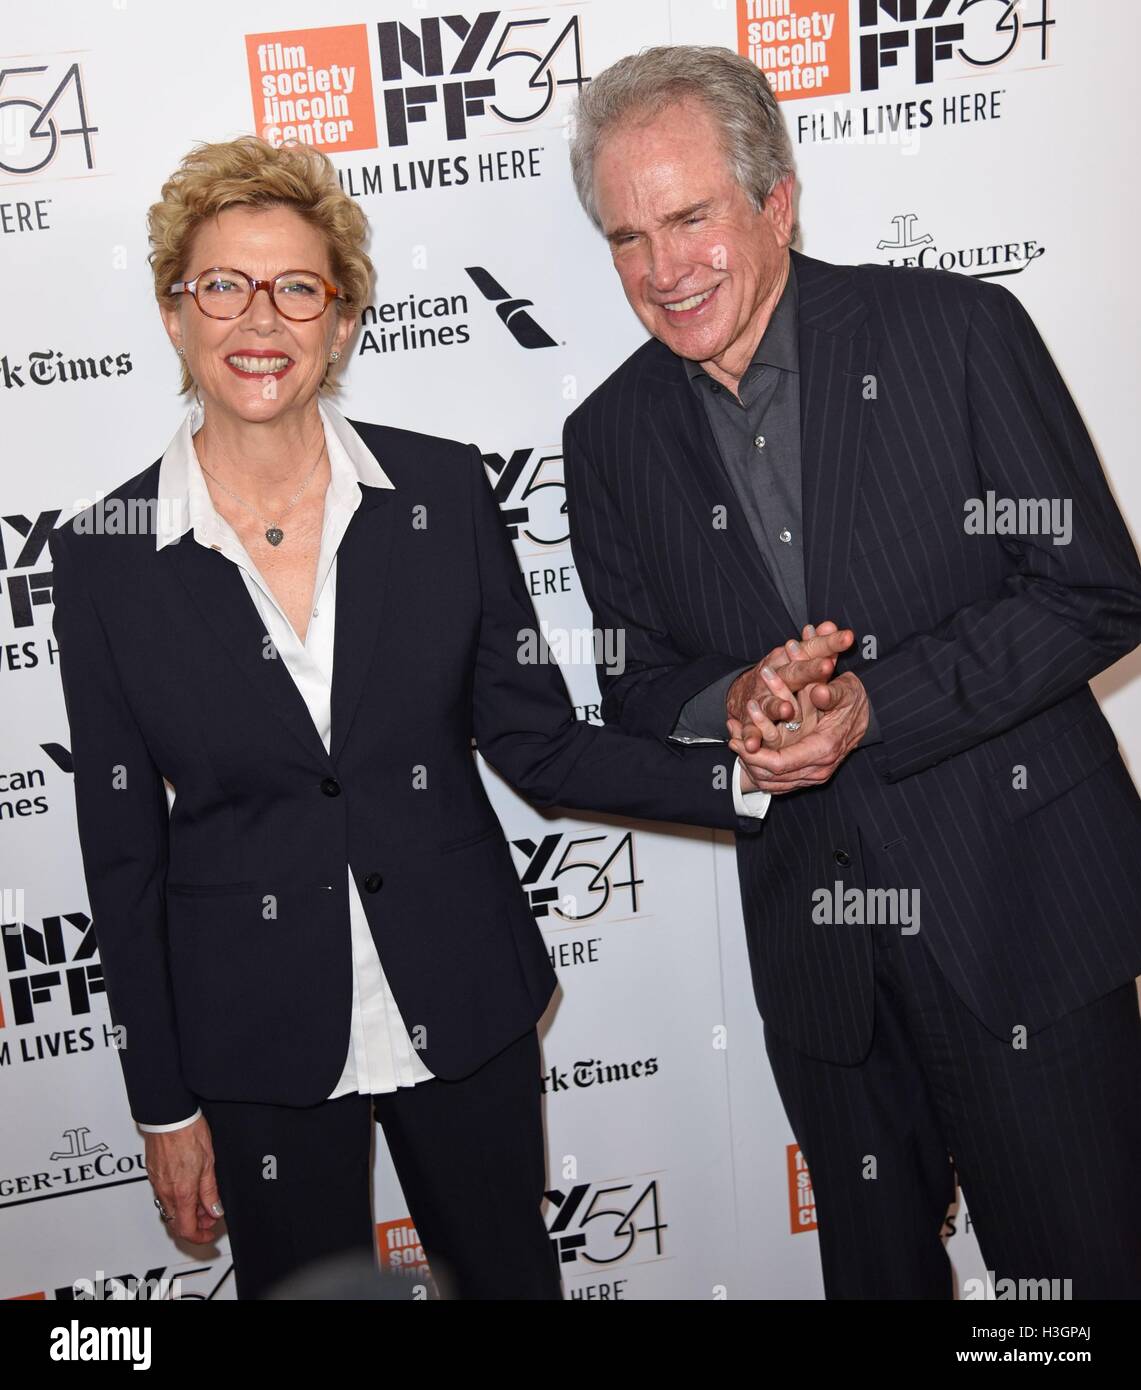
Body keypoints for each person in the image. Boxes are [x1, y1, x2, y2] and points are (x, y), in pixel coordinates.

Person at [48, 135, 804, 1301]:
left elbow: (535, 739)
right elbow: (123, 851)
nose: (262, 318)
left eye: (298, 287)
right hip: (251, 1035)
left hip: (461, 999)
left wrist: (744, 776)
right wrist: (163, 1099)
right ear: (174, 313)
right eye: (223, 285)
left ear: (342, 322)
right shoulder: (105, 560)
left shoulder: (442, 496)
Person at [563, 45, 1141, 1298]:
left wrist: (877, 703)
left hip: (1023, 916)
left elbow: (1094, 590)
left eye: (689, 217)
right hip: (822, 966)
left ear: (775, 200)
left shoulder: (954, 332)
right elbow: (633, 681)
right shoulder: (605, 436)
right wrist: (734, 704)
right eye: (625, 237)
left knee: (1077, 1285)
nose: (662, 271)